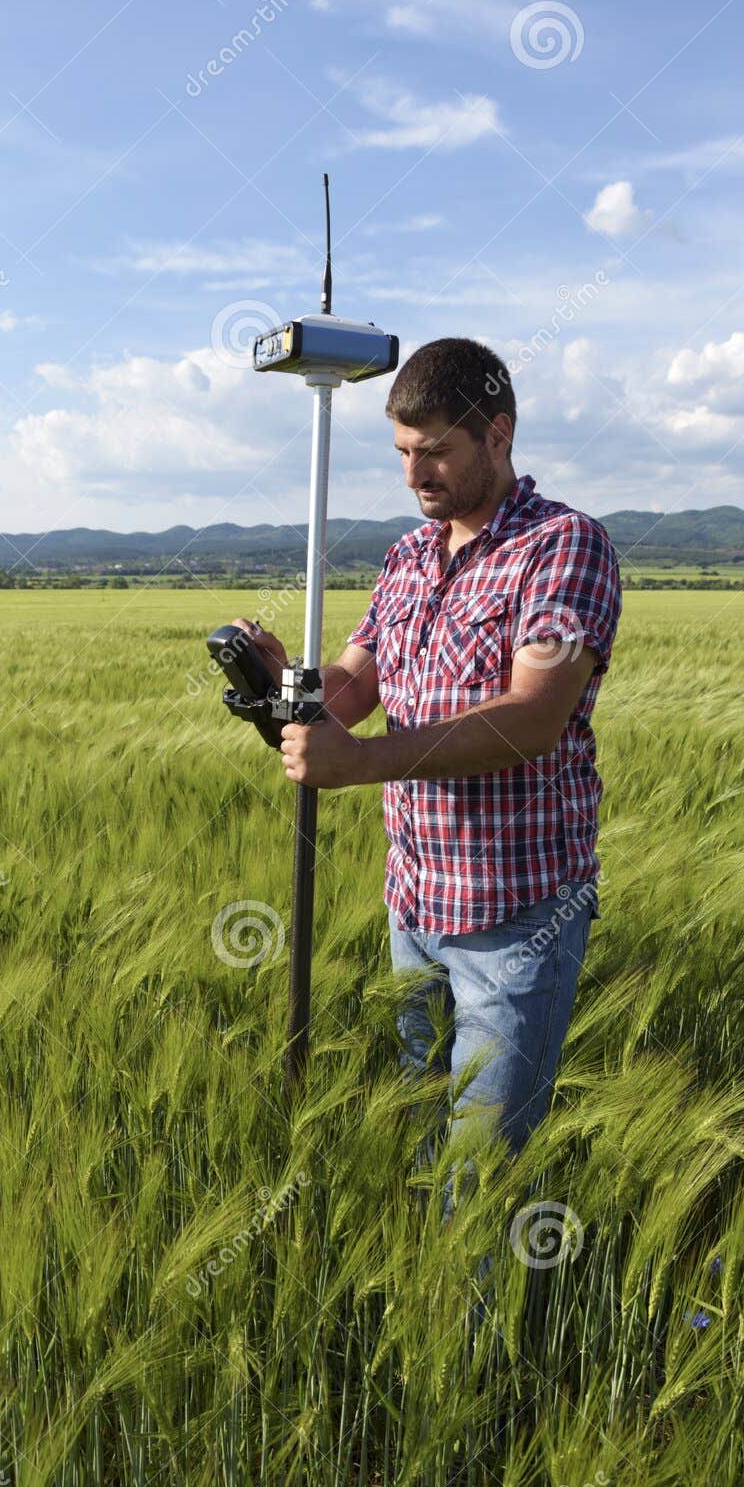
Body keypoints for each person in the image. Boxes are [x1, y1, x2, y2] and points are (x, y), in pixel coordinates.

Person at [232, 336, 621, 1201]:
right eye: (405, 453)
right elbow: (356, 681)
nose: (417, 475)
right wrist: (286, 691)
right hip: (413, 905)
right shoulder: (408, 558)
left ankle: (481, 1330)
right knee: (416, 1137)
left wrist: (359, 760)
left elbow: (533, 717)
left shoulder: (562, 547)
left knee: (476, 1181)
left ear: (498, 435)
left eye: (437, 450)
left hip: (516, 921)